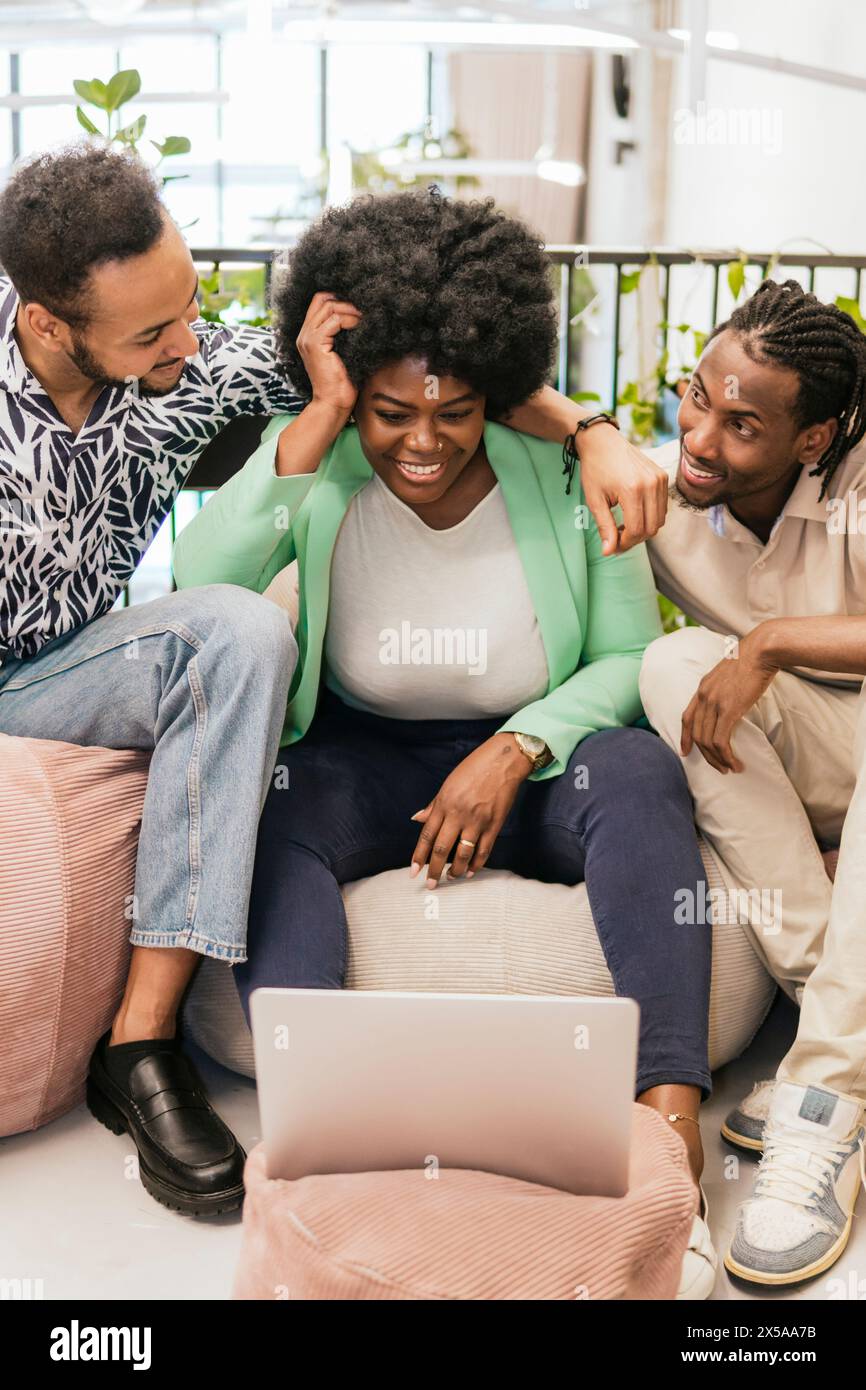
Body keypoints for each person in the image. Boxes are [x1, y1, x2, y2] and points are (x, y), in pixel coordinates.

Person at [0, 142, 674, 1215]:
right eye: (152, 331)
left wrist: (590, 429)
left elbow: (431, 367)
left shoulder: (179, 368)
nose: (188, 343)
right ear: (47, 324)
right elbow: (229, 561)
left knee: (241, 640)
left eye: (188, 309)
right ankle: (229, 1075)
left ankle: (142, 1044)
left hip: (83, 660)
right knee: (240, 653)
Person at [173, 190, 717, 1295]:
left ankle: (669, 1124)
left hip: (538, 755)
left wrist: (515, 746)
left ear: (497, 395)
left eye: (455, 411)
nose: (421, 442)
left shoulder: (562, 472)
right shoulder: (323, 460)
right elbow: (201, 585)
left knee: (644, 775)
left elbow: (622, 661)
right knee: (275, 809)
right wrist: (320, 416)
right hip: (363, 754)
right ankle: (318, 1121)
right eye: (388, 413)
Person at [635, 279, 866, 1287]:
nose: (700, 437)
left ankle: (822, 1095)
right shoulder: (669, 496)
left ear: (809, 439)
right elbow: (512, 401)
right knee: (673, 666)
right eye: (695, 396)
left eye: (740, 424)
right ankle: (838, 1015)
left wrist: (769, 641)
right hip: (812, 764)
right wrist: (592, 425)